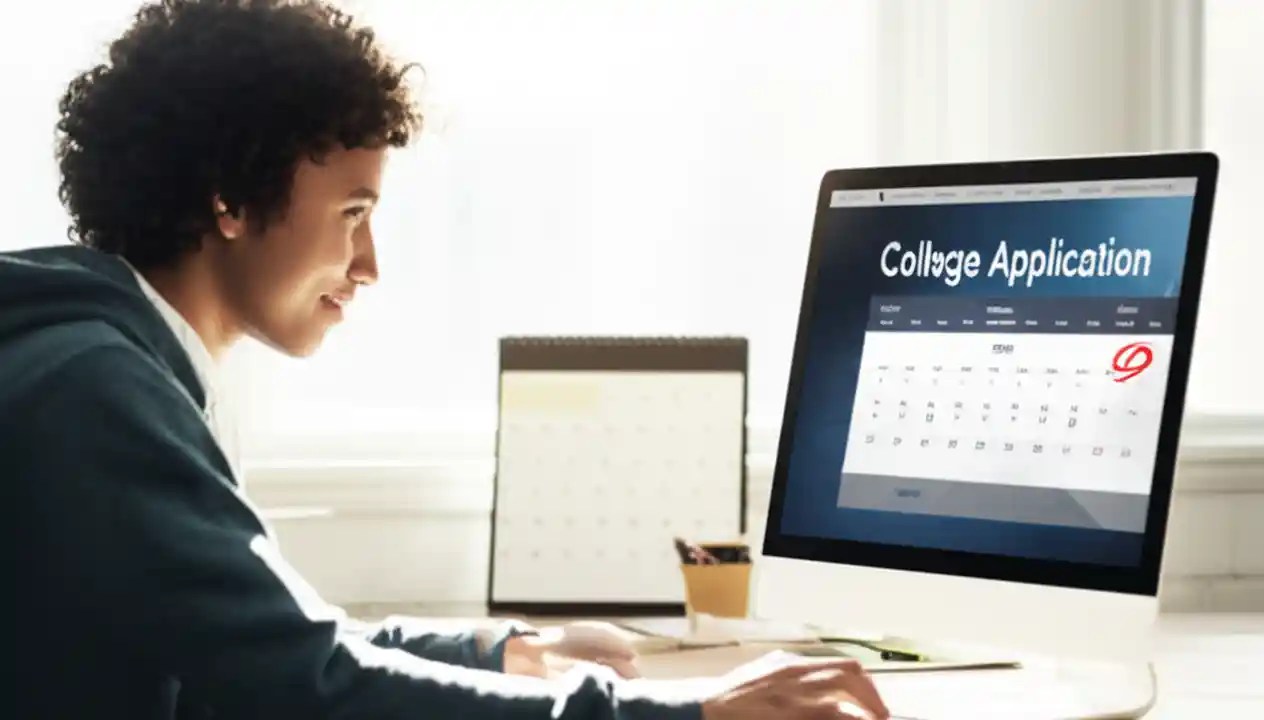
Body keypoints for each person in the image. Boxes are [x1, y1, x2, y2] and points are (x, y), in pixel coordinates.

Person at [2, 1, 889, 718]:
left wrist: (489, 649)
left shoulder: (100, 359)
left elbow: (257, 641)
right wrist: (683, 715)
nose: (370, 264)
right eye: (353, 212)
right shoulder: (96, 391)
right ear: (229, 200)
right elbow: (300, 682)